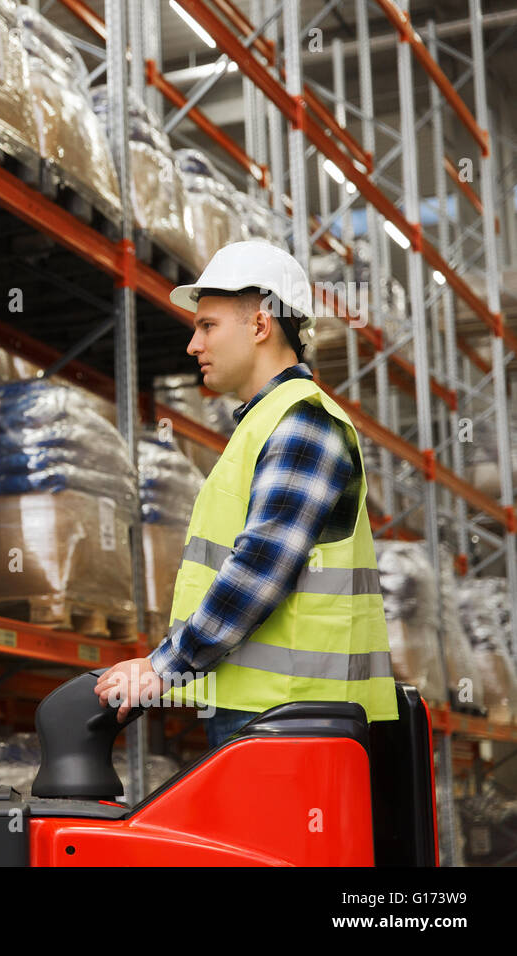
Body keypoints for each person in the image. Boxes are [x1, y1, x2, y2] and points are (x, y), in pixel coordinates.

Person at [94, 240, 398, 749]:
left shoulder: (303, 422)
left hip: (291, 719)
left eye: (207, 326)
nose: (193, 345)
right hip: (269, 711)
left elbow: (261, 565)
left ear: (260, 326)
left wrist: (162, 667)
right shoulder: (268, 422)